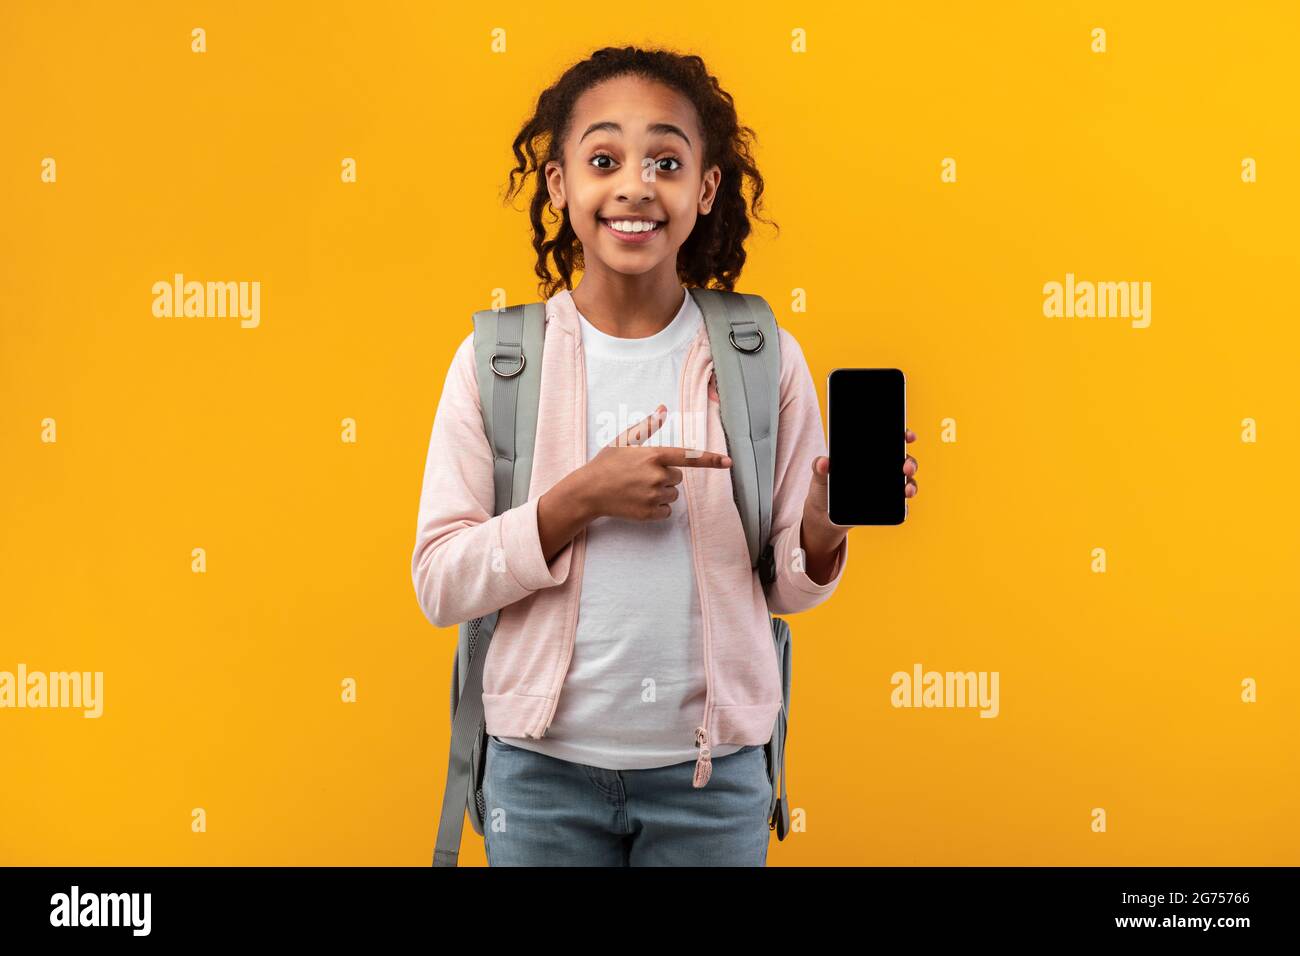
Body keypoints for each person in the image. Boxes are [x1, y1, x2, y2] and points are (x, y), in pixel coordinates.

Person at [412, 45, 919, 866]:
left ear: (705, 188)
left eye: (667, 162)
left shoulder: (763, 357)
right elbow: (439, 583)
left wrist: (822, 529)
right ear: (559, 185)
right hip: (537, 780)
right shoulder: (497, 361)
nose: (636, 185)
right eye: (604, 158)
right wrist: (576, 499)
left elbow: (789, 588)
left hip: (712, 785)